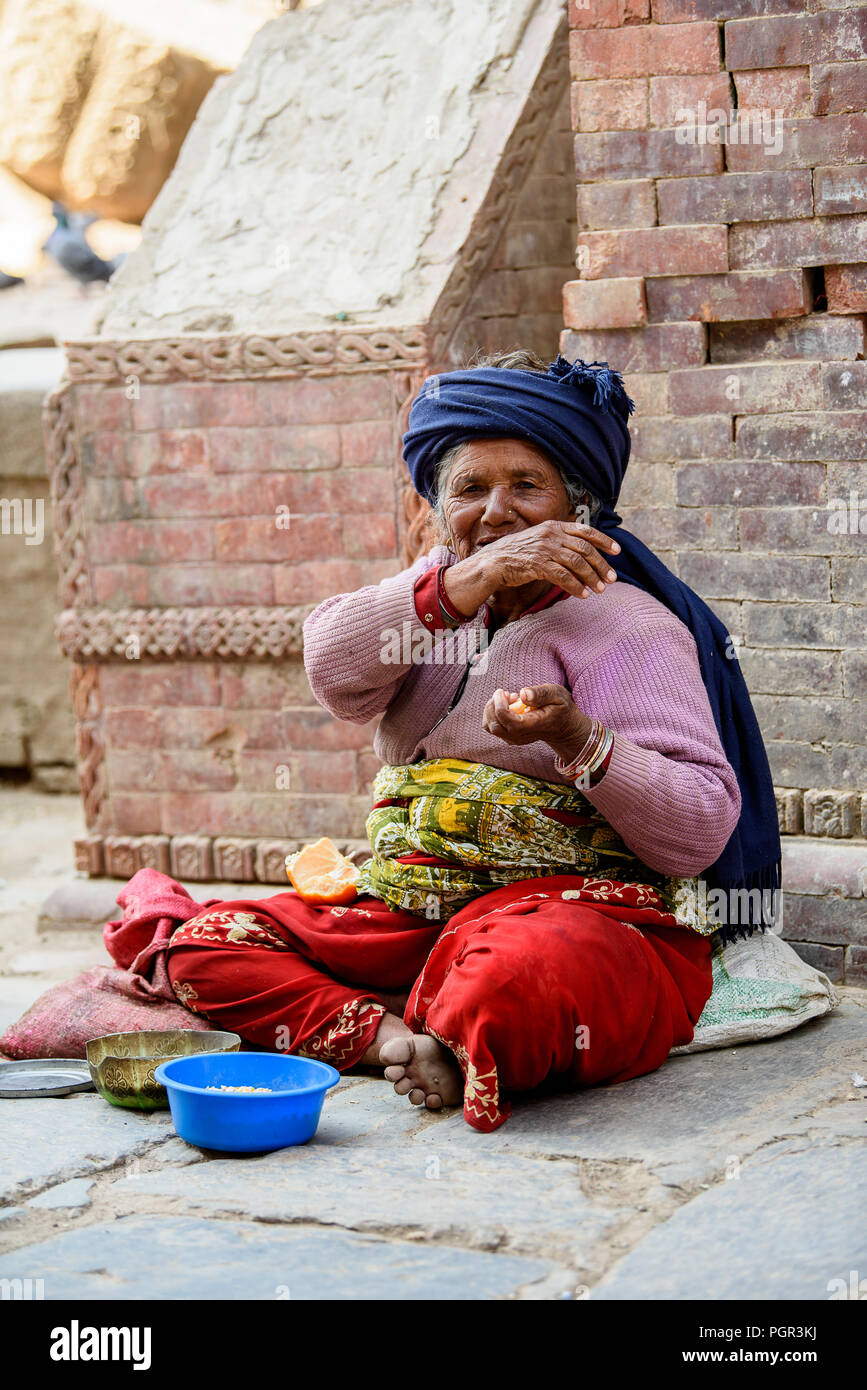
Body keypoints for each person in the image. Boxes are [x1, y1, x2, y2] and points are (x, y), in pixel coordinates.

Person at [164, 349, 780, 1132]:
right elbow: (334, 674)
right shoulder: (430, 602)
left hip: (568, 912)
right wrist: (469, 583)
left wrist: (576, 736)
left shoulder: (628, 625)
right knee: (207, 943)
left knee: (509, 986)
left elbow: (694, 829)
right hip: (412, 910)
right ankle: (394, 1038)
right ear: (434, 507)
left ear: (578, 505)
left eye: (527, 486)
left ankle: (454, 1030)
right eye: (469, 489)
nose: (495, 511)